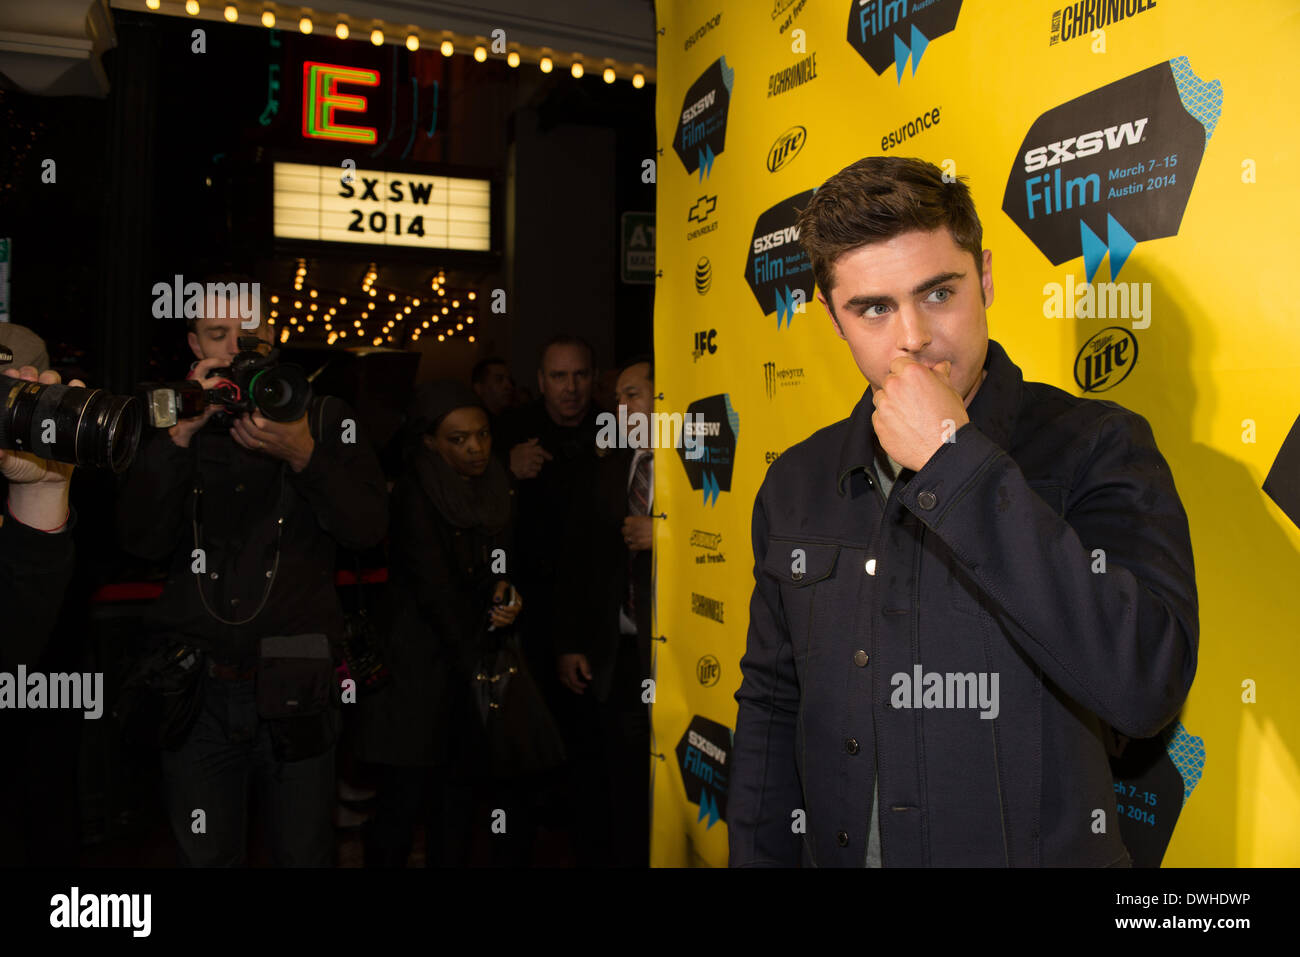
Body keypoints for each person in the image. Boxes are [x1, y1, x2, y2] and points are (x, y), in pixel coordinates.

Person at [729, 157, 1198, 867]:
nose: (912, 335)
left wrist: (956, 462)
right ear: (833, 319)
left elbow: (1143, 685)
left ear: (983, 278)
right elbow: (771, 709)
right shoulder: (797, 480)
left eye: (938, 292)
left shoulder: (1099, 446)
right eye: (874, 308)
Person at [116, 277, 388, 866]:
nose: (238, 350)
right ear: (194, 346)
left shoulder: (326, 416)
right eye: (219, 336)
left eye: (252, 336)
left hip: (301, 689)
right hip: (197, 692)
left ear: (277, 338)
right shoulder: (168, 418)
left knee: (304, 853)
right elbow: (138, 542)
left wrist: (303, 455)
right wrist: (179, 437)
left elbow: (368, 529)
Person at [356, 381, 522, 867]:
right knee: (400, 811)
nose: (476, 447)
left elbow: (503, 561)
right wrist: (485, 620)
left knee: (457, 811)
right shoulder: (414, 492)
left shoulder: (497, 483)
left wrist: (507, 594)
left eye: (483, 434)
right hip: (415, 680)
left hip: (467, 675)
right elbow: (437, 591)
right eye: (459, 439)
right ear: (430, 441)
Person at [555, 355, 655, 867]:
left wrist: (666, 537)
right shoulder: (613, 464)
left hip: (675, 656)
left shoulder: (698, 461)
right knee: (619, 784)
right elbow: (584, 563)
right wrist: (573, 641)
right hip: (616, 654)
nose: (620, 407)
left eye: (633, 395)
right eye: (617, 397)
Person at [470, 357, 515, 423]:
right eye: (499, 379)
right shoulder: (474, 423)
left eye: (509, 380)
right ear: (479, 388)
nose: (509, 386)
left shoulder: (513, 419)